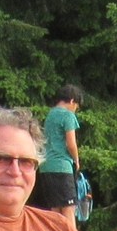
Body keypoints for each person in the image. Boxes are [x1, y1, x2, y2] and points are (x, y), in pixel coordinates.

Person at [37, 85, 84, 219]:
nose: (75, 110)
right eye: (76, 106)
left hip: (46, 166)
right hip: (62, 166)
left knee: (55, 210)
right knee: (69, 208)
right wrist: (76, 160)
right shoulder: (67, 116)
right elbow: (71, 143)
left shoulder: (50, 115)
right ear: (71, 101)